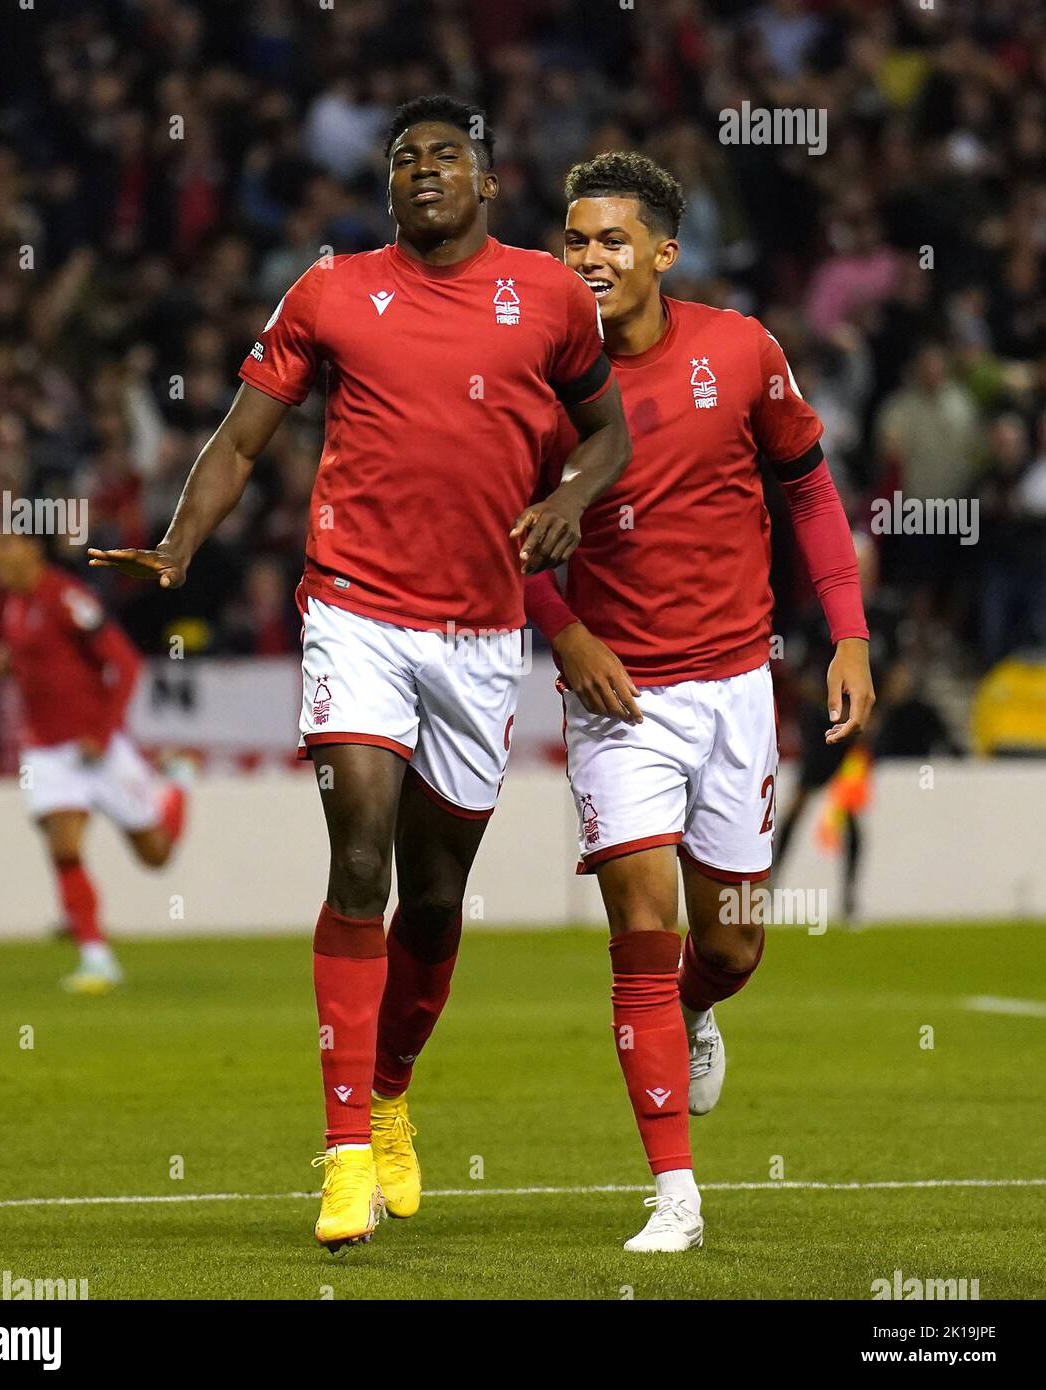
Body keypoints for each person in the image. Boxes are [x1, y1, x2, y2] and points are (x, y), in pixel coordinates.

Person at [87, 95, 632, 1252]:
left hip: (482, 636)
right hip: (353, 612)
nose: (423, 170)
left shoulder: (544, 295)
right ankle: (341, 1155)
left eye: (445, 155)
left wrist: (571, 499)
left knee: (433, 900)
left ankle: (389, 1091)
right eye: (403, 159)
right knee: (360, 858)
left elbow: (607, 432)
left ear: (484, 180)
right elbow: (242, 437)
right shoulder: (331, 291)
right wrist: (180, 543)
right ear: (385, 186)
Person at [524, 152, 875, 1252]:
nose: (588, 257)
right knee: (640, 920)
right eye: (575, 238)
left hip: (733, 690)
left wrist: (849, 635)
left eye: (611, 239)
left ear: (663, 253)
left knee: (727, 949)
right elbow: (512, 530)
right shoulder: (537, 382)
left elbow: (809, 487)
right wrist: (566, 631)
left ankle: (698, 1007)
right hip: (615, 699)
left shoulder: (740, 349)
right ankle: (673, 1191)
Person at [0, 529, 187, 994]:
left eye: (4, 546)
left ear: (31, 550)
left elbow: (125, 662)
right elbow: (48, 665)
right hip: (47, 751)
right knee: (63, 844)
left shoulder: (66, 597)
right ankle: (97, 957)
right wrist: (9, 661)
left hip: (95, 747)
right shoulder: (15, 605)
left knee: (155, 855)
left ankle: (177, 786)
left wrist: (101, 733)